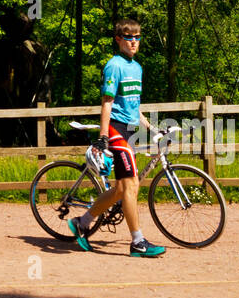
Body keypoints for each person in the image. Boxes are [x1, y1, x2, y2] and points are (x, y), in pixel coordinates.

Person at [69, 18, 166, 257]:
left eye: (137, 37)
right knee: (130, 185)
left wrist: (152, 129)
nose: (133, 42)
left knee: (122, 189)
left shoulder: (137, 67)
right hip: (116, 129)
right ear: (118, 39)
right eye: (128, 37)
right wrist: (103, 137)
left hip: (130, 128)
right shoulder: (114, 65)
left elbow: (135, 106)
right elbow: (107, 103)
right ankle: (137, 242)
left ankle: (82, 223)